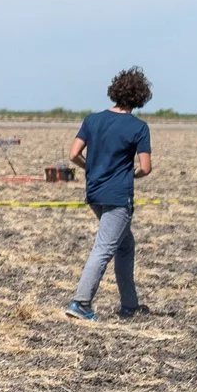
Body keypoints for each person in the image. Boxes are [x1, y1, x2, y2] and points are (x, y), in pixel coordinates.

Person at [65, 67, 154, 322]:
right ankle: (81, 302)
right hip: (118, 197)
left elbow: (73, 155)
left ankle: (129, 304)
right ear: (140, 97)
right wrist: (130, 176)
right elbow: (145, 168)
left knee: (125, 245)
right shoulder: (139, 127)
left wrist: (90, 168)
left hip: (94, 192)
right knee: (104, 247)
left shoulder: (92, 120)